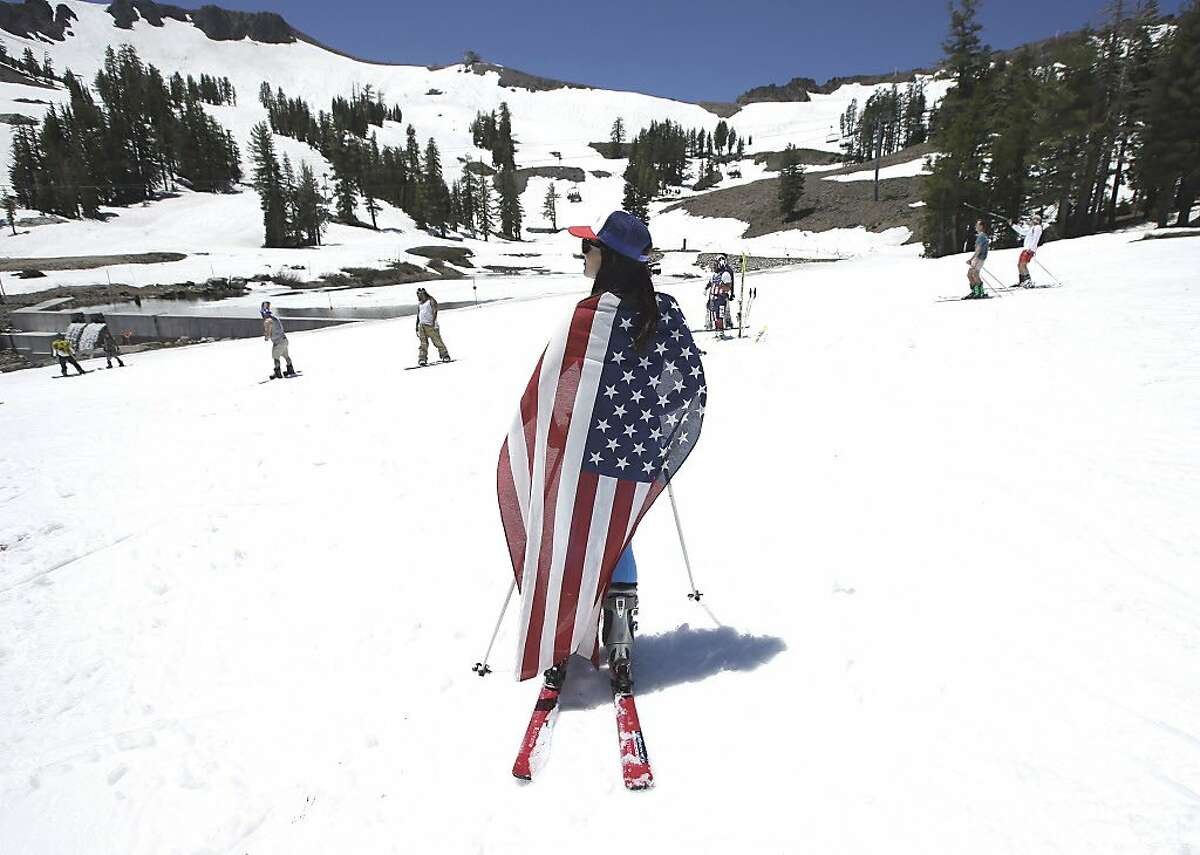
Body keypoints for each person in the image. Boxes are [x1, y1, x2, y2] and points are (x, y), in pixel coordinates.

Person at [415, 287, 451, 366]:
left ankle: (445, 355)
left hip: (430, 325)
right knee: (423, 344)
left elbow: (435, 311)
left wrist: (434, 322)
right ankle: (422, 358)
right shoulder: (420, 304)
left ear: (424, 293)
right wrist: (416, 327)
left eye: (420, 294)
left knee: (437, 341)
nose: (419, 296)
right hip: (422, 325)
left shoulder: (431, 300)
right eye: (418, 294)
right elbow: (418, 315)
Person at [261, 301, 296, 378]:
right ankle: (290, 369)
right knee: (286, 356)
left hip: (278, 342)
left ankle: (277, 372)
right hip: (284, 340)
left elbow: (268, 333)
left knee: (276, 357)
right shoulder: (275, 318)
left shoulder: (267, 321)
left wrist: (266, 336)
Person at [1010, 214, 1043, 287]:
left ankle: (1028, 281)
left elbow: (1035, 239)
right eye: (1034, 219)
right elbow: (1022, 231)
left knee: (1023, 264)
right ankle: (1022, 281)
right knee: (1019, 265)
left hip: (1029, 249)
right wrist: (1013, 225)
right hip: (1026, 248)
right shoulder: (1032, 228)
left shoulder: (1037, 228)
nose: (1034, 220)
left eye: (1036, 219)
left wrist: (1031, 249)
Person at [965, 219, 990, 299]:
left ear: (981, 226)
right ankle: (975, 291)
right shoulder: (982, 236)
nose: (976, 226)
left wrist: (972, 259)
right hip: (979, 258)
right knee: (970, 274)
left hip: (979, 258)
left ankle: (979, 292)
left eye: (977, 225)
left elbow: (978, 249)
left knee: (974, 274)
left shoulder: (981, 236)